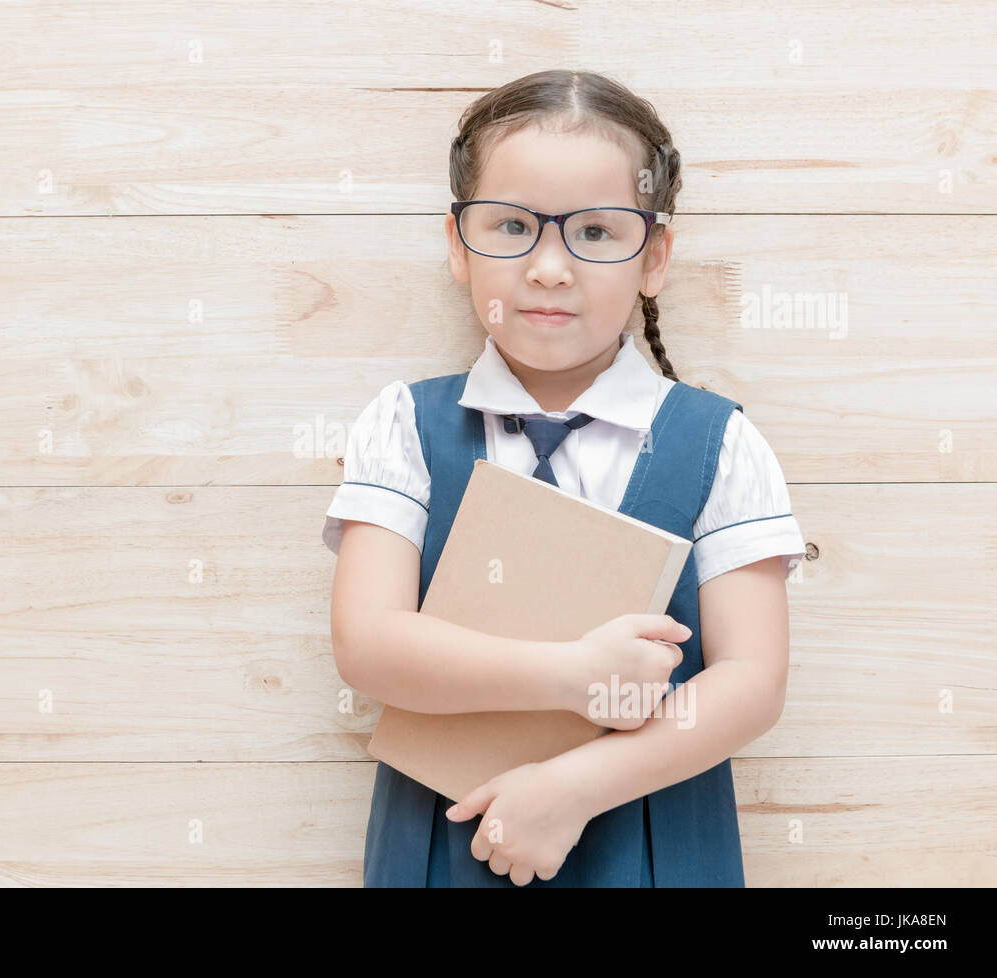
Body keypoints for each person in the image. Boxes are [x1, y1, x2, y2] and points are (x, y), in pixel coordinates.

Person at [322, 69, 806, 887]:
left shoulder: (722, 442)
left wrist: (568, 791)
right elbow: (367, 645)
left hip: (655, 840)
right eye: (511, 225)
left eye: (596, 232)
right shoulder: (403, 424)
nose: (549, 268)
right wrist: (571, 677)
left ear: (654, 256)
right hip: (443, 837)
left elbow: (751, 682)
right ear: (456, 245)